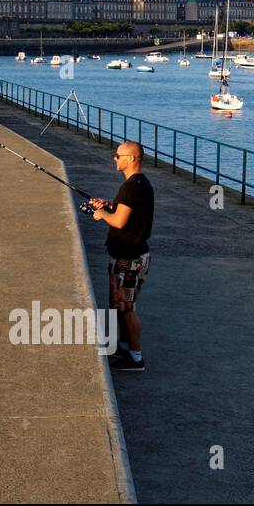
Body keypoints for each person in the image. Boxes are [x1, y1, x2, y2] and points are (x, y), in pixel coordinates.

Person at [89, 141, 154, 371]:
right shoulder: (141, 183)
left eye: (118, 156)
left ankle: (136, 358)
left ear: (132, 158)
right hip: (136, 256)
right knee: (122, 306)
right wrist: (108, 205)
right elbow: (127, 212)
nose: (114, 159)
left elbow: (118, 221)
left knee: (126, 308)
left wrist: (101, 215)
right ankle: (126, 349)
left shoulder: (129, 187)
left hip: (128, 259)